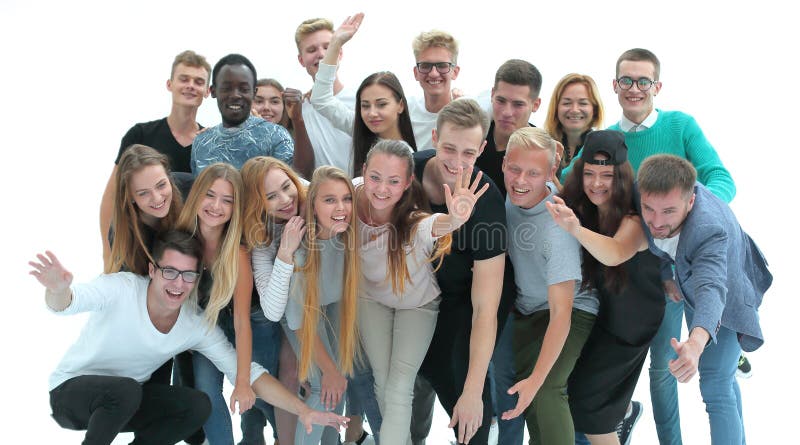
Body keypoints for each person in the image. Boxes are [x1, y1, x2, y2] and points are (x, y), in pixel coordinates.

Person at [560, 48, 737, 445]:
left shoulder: (680, 126)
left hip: (682, 265)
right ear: (615, 85)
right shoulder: (609, 139)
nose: (635, 88)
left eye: (644, 81)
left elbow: (720, 179)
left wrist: (691, 224)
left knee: (679, 369)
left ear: (657, 86)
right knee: (653, 367)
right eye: (626, 80)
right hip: (638, 274)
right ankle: (631, 421)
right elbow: (570, 179)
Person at [31, 229, 349, 445]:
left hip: (124, 402)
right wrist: (58, 290)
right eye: (170, 271)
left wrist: (304, 410)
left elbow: (247, 373)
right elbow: (69, 302)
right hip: (70, 394)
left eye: (188, 275)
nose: (178, 284)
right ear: (152, 270)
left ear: (196, 279)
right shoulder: (122, 288)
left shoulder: (192, 324)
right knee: (126, 390)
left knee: (196, 405)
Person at [354, 139, 486, 445]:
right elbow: (314, 190)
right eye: (375, 177)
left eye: (393, 181)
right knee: (382, 382)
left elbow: (438, 224)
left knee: (399, 386)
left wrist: (457, 217)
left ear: (407, 182)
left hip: (417, 304)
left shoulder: (414, 221)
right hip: (371, 299)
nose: (382, 189)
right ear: (363, 171)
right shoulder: (351, 196)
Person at [636, 154, 770, 444]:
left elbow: (711, 288)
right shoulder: (647, 194)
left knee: (715, 386)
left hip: (731, 290)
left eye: (668, 211)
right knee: (722, 379)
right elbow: (657, 241)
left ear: (691, 201)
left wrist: (696, 344)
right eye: (649, 209)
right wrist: (667, 275)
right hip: (692, 282)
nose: (656, 221)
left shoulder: (707, 228)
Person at [546, 131, 665, 445]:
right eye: (589, 174)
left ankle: (621, 415)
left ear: (621, 177)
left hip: (632, 324)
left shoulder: (635, 217)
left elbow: (614, 252)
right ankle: (623, 412)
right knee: (578, 393)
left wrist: (575, 228)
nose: (596, 183)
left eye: (607, 176)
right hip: (603, 314)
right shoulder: (585, 206)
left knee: (589, 408)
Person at [411, 99, 510, 445]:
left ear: (482, 149)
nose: (456, 162)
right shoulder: (409, 171)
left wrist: (472, 392)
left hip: (465, 301)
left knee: (467, 405)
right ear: (434, 138)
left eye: (468, 153)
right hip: (416, 295)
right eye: (448, 148)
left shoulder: (487, 203)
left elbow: (485, 308)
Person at [500, 127, 598, 445]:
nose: (520, 180)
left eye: (533, 173)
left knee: (544, 387)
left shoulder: (556, 229)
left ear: (549, 172)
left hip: (571, 310)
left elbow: (562, 314)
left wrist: (537, 379)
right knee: (530, 405)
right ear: (503, 163)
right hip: (528, 308)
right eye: (515, 169)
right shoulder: (509, 196)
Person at [177, 163, 280, 445]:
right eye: (210, 195)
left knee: (260, 394)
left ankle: (287, 438)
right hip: (209, 323)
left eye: (227, 200)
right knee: (206, 391)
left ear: (236, 208)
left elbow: (241, 321)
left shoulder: (237, 253)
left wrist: (243, 381)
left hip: (251, 321)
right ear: (196, 195)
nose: (216, 206)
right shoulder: (181, 239)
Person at [258, 165, 361, 444]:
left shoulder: (348, 236)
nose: (341, 208)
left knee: (340, 381)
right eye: (329, 200)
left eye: (346, 199)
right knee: (324, 384)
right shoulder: (301, 253)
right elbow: (297, 322)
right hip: (298, 317)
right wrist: (329, 370)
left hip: (328, 305)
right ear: (312, 205)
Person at [100, 50, 210, 269]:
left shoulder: (209, 143)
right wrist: (108, 256)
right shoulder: (140, 135)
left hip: (187, 254)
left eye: (198, 82)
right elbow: (113, 198)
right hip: (142, 248)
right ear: (170, 84)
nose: (191, 85)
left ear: (207, 91)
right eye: (184, 79)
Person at [310, 13, 417, 176]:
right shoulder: (360, 128)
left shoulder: (408, 152)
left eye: (382, 104)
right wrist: (335, 44)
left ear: (400, 105)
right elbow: (320, 99)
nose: (372, 113)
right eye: (365, 106)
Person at [191, 54, 308, 176]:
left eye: (244, 89)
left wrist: (298, 119)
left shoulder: (276, 135)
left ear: (253, 92)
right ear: (213, 91)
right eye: (226, 88)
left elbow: (298, 178)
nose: (235, 95)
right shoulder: (201, 142)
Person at [106, 144, 184, 275]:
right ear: (130, 196)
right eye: (143, 193)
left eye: (161, 185)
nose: (157, 198)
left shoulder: (192, 190)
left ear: (169, 176)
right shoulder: (122, 234)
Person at [292, 18, 355, 174]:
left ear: (340, 53)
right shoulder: (298, 109)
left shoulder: (361, 101)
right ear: (301, 60)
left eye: (328, 47)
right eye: (311, 50)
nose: (321, 54)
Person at [474, 59, 542, 196]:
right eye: (501, 101)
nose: (507, 112)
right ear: (492, 95)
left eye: (518, 104)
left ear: (535, 105)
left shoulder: (543, 153)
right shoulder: (472, 137)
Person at [543, 73, 605, 181]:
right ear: (556, 108)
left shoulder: (603, 150)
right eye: (567, 103)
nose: (574, 110)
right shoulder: (541, 146)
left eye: (583, 103)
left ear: (594, 109)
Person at [408, 30, 461, 151]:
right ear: (416, 73)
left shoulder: (468, 114)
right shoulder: (405, 112)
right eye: (425, 66)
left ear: (455, 72)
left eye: (442, 66)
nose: (433, 73)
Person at [252, 78, 315, 179]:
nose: (266, 107)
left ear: (284, 106)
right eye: (259, 101)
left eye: (274, 102)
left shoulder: (295, 135)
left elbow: (302, 175)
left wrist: (297, 118)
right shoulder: (235, 133)